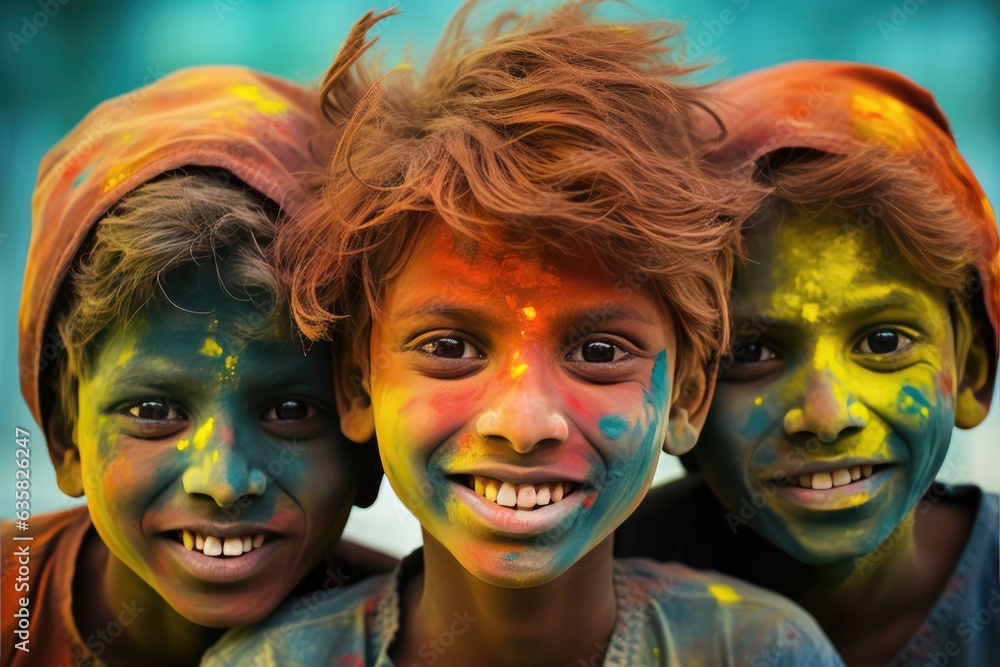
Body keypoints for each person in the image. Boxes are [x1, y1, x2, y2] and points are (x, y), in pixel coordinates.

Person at [202, 6, 845, 666]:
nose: (523, 421)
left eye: (598, 353)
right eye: (450, 347)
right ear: (357, 384)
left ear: (685, 397)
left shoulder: (764, 652)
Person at [615, 61, 999, 666]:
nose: (825, 415)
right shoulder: (595, 586)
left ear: (973, 369)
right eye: (750, 353)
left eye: (882, 342)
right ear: (678, 396)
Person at [2, 65, 388, 667]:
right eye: (154, 411)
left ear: (368, 444)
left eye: (291, 410)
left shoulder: (424, 643)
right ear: (65, 436)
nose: (224, 482)